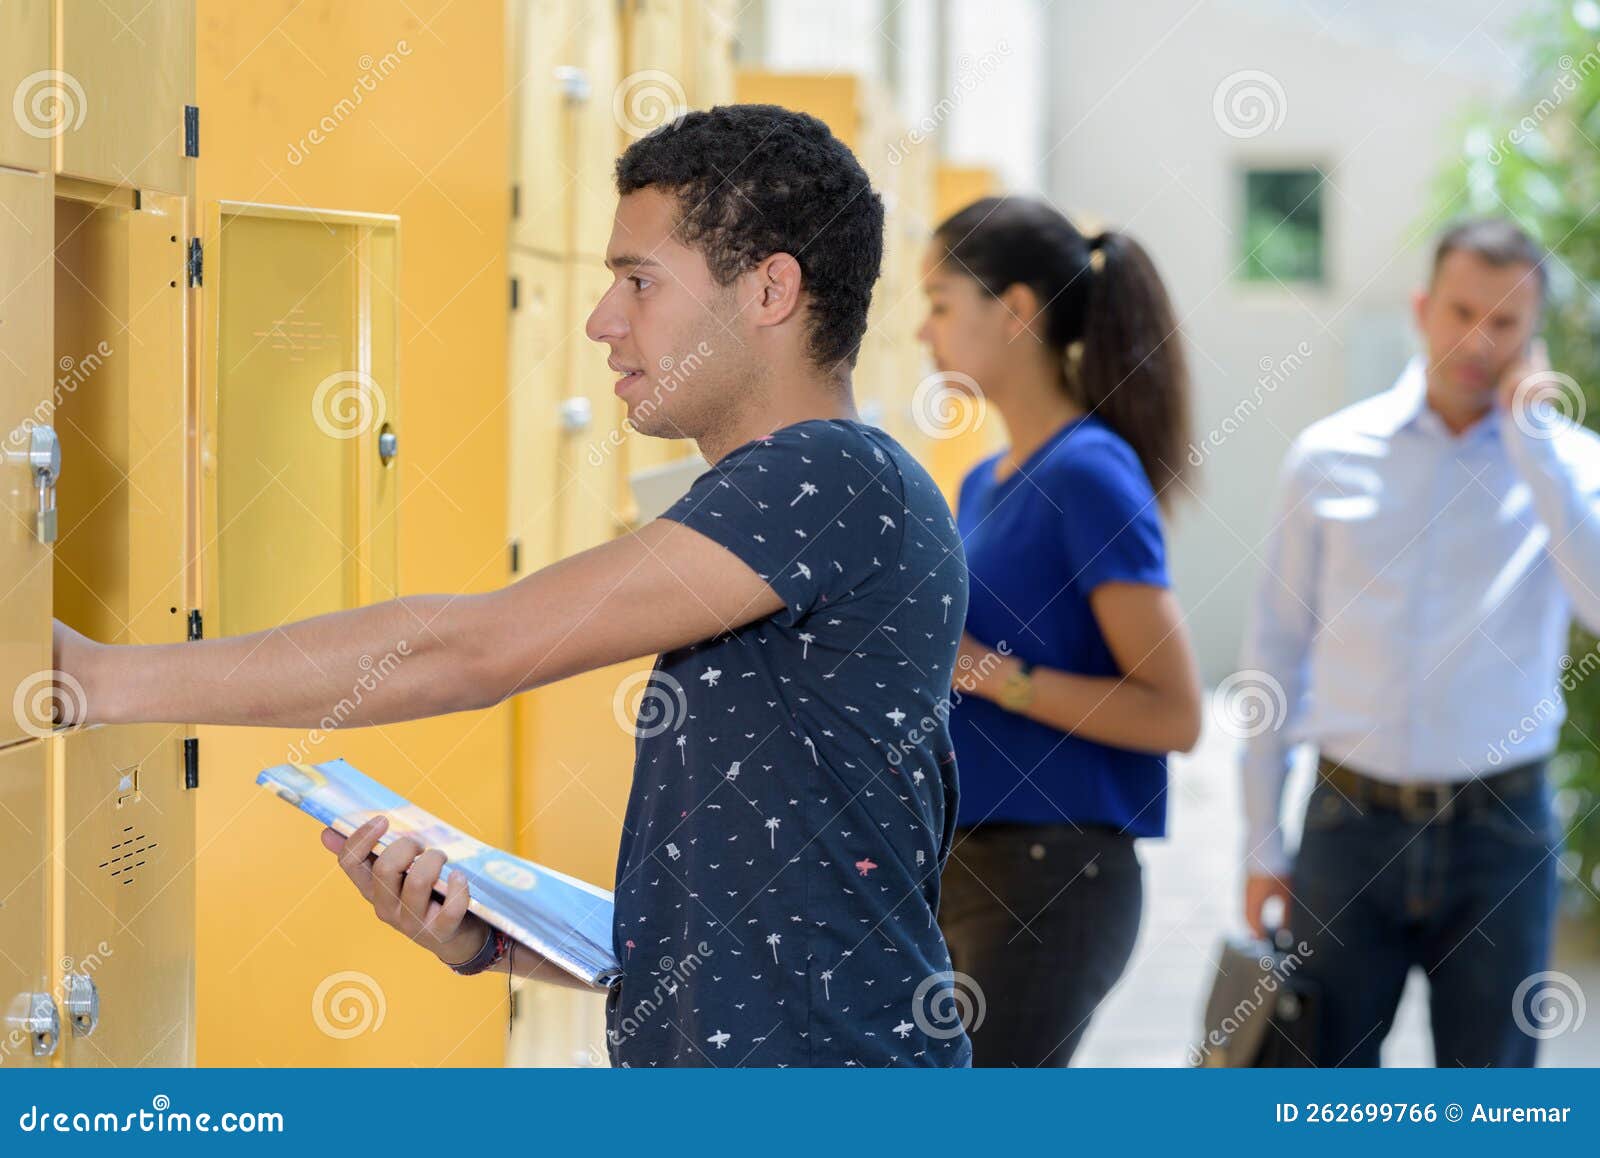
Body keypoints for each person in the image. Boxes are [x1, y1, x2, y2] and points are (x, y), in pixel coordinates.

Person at [50, 104, 973, 1068]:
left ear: (770, 288)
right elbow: (764, 905)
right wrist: (490, 932)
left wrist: (97, 679)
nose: (601, 319)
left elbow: (473, 649)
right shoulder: (814, 492)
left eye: (638, 280)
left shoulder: (827, 476)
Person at [1239, 218, 1596, 1066]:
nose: (1478, 340)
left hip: (1500, 832)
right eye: (1461, 311)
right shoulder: (1327, 457)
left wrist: (1535, 445)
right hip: (1345, 824)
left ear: (1531, 336)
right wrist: (1260, 842)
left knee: (1490, 1106)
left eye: (1505, 322)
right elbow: (1274, 651)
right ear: (1422, 307)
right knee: (1320, 1101)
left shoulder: (1568, 467)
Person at [916, 196, 1203, 1066]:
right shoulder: (979, 484)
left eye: (938, 304)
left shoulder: (1089, 472)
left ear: (1015, 312)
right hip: (970, 864)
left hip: (1050, 876)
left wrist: (993, 675)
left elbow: (1174, 713)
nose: (922, 334)